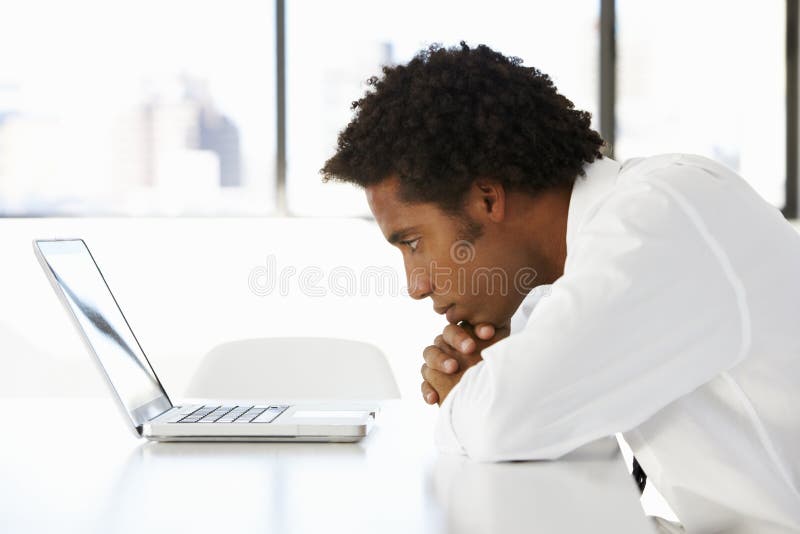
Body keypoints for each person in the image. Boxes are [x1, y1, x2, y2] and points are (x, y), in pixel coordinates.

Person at [321, 42, 800, 533]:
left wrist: (476, 389)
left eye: (414, 242)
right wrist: (494, 378)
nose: (415, 285)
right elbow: (540, 419)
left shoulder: (658, 215)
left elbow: (501, 419)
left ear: (488, 198)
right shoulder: (589, 260)